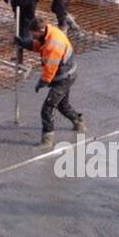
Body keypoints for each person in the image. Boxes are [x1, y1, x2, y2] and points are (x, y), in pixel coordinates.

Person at [30, 20, 86, 149]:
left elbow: (50, 68)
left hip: (64, 78)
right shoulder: (49, 33)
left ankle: (47, 139)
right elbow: (40, 46)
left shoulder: (53, 44)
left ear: (40, 31)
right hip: (67, 74)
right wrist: (26, 44)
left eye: (33, 34)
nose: (32, 36)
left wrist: (42, 82)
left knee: (47, 108)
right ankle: (78, 121)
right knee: (62, 105)